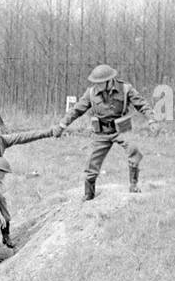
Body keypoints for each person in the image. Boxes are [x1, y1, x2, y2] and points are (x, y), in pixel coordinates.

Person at [61, 64, 157, 200]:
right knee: (92, 163)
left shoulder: (125, 89)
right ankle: (89, 193)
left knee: (134, 150)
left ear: (109, 81)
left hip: (121, 129)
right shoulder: (91, 93)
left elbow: (142, 104)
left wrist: (151, 120)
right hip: (102, 132)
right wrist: (63, 124)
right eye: (96, 83)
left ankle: (134, 185)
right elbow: (76, 110)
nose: (97, 86)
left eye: (100, 83)